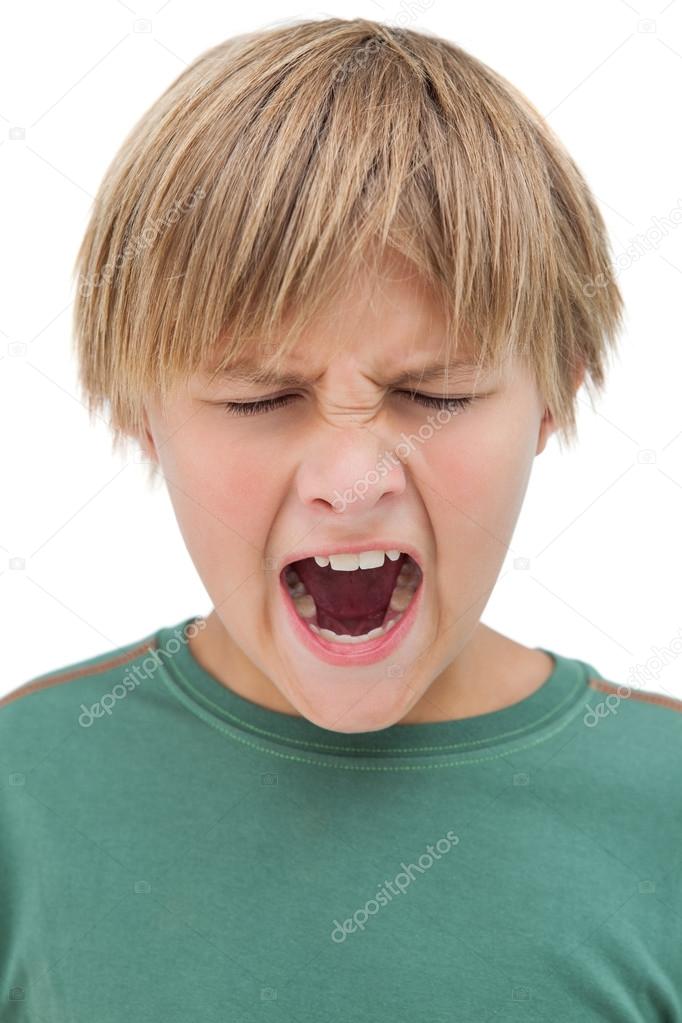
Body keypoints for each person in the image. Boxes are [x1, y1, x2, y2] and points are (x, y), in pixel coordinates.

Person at [2, 16, 680, 1021]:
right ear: (142, 417)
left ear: (556, 393)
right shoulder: (26, 791)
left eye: (437, 394)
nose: (351, 481)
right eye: (259, 401)